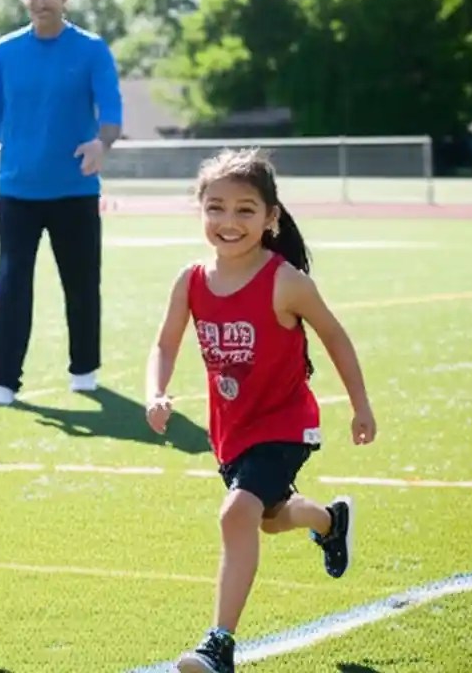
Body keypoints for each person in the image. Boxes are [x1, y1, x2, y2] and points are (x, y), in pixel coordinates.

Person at [144, 148, 377, 673]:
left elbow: (335, 337)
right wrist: (156, 392)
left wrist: (360, 405)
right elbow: (164, 344)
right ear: (201, 210)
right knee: (267, 520)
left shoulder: (285, 281)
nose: (229, 222)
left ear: (270, 217)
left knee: (237, 513)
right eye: (216, 208)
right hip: (233, 431)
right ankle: (329, 521)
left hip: (286, 423)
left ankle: (218, 645)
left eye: (245, 210)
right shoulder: (191, 281)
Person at [0, 0, 124, 407]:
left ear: (64, 0)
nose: (41, 2)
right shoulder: (6, 51)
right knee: (11, 284)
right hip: (18, 191)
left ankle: (84, 369)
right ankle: (2, 381)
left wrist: (101, 143)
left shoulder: (91, 49)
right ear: (25, 0)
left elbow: (111, 107)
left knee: (81, 282)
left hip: (76, 189)